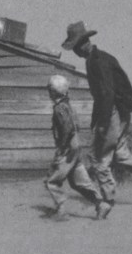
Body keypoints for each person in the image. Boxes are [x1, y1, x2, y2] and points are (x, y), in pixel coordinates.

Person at [61, 21, 132, 217]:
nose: (75, 52)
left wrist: (102, 124)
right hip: (118, 111)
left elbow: (107, 94)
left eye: (75, 47)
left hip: (112, 112)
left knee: (99, 158)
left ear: (82, 44)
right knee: (121, 155)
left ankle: (107, 200)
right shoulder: (98, 58)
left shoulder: (97, 61)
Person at [43, 74, 102, 218]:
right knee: (79, 182)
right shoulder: (69, 106)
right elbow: (75, 126)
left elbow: (67, 128)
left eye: (49, 90)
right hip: (76, 147)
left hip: (68, 149)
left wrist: (62, 148)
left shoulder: (59, 108)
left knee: (52, 181)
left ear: (53, 91)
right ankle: (101, 203)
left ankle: (61, 210)